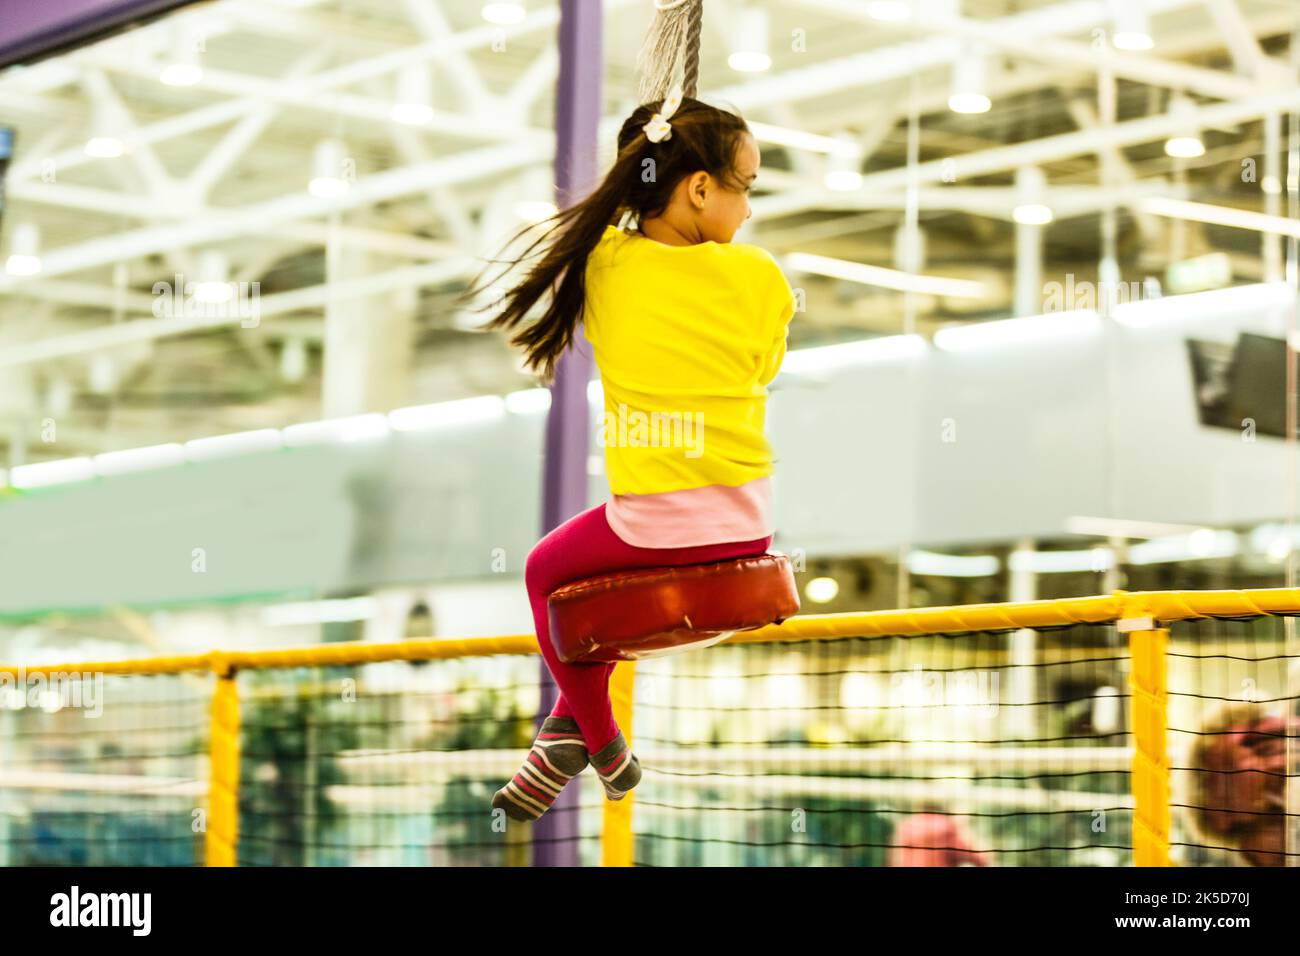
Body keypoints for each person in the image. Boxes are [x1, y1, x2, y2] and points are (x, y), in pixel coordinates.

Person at [475, 89, 796, 822]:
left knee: (545, 573)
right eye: (744, 188)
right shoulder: (762, 279)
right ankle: (567, 733)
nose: (747, 211)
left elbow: (617, 223)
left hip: (652, 527)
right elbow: (764, 368)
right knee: (594, 612)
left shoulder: (603, 267)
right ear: (700, 187)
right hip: (747, 523)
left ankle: (596, 737)